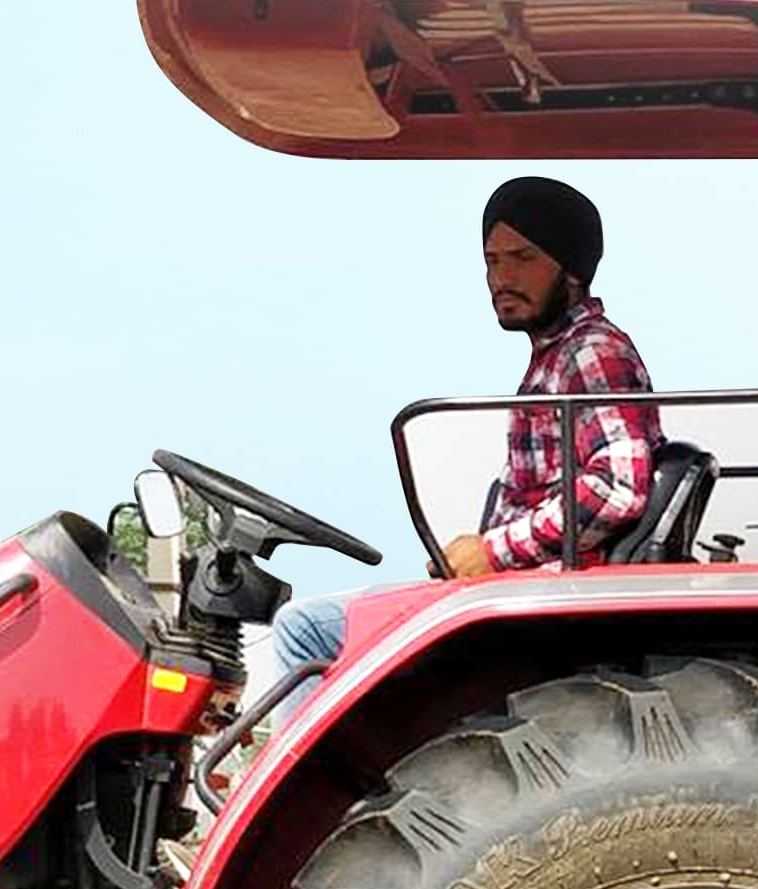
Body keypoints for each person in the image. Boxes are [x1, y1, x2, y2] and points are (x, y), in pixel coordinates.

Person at [236, 176, 660, 761]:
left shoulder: (592, 353)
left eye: (523, 258)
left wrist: (494, 552)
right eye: (491, 260)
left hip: (540, 599)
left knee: (303, 630)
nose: (501, 278)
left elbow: (617, 487)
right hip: (522, 589)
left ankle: (304, 811)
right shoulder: (553, 358)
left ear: (572, 268)